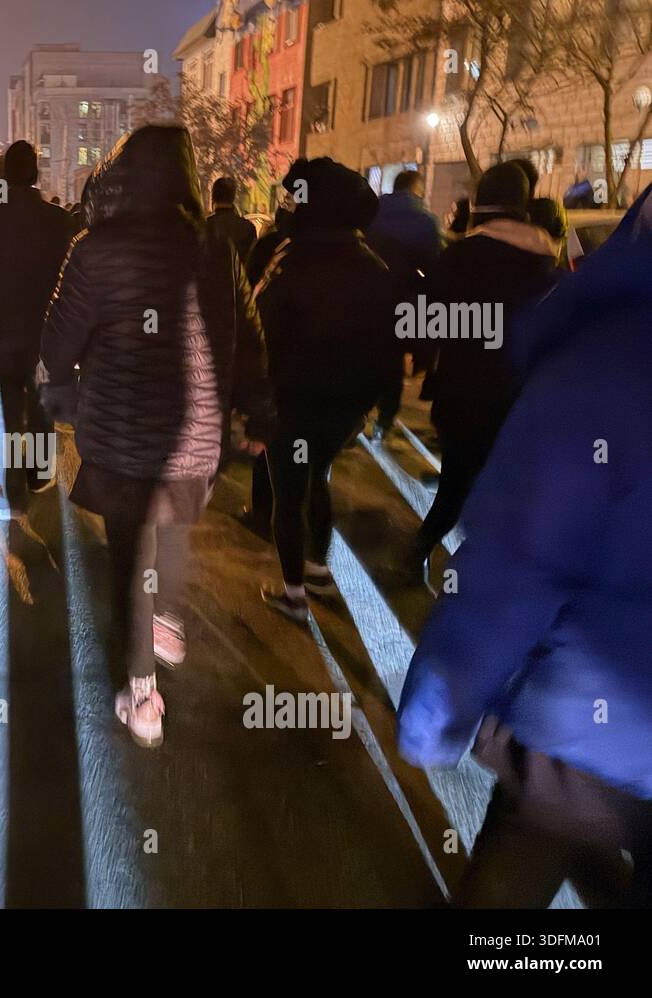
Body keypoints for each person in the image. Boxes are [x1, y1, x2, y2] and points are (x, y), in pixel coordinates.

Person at [398, 185, 652, 908]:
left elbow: (518, 562)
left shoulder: (610, 359)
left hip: (583, 741)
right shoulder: (557, 293)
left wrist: (437, 714)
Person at [42, 125, 273, 749]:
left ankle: (143, 698)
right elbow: (249, 340)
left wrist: (58, 381)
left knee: (129, 558)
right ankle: (165, 621)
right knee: (172, 532)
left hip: (120, 434)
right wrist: (257, 412)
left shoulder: (94, 248)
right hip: (195, 431)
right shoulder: (214, 247)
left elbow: (58, 343)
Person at [256, 158, 396, 623]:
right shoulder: (374, 267)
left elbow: (259, 335)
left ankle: (294, 592)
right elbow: (390, 346)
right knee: (318, 476)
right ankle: (317, 569)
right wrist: (381, 406)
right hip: (344, 410)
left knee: (288, 496)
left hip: (292, 405)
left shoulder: (290, 262)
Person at [407, 163, 560, 579]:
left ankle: (420, 551)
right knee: (500, 488)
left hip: (463, 393)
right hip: (519, 399)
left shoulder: (461, 256)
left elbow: (428, 320)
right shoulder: (546, 264)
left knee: (456, 482)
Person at [0, 140, 73, 519]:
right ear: (36, 174)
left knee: (8, 412)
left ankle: (11, 493)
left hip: (3, 335)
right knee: (42, 405)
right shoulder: (60, 221)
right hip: (47, 335)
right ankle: (40, 474)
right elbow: (72, 283)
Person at [366, 169, 444, 437]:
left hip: (369, 299)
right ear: (416, 189)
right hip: (404, 304)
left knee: (365, 356)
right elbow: (434, 267)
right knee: (392, 362)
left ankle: (358, 414)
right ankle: (384, 419)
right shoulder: (425, 222)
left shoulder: (371, 215)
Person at [205, 176, 256, 262]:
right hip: (239, 274)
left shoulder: (204, 226)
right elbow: (252, 262)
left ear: (213, 197)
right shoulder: (248, 227)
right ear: (233, 197)